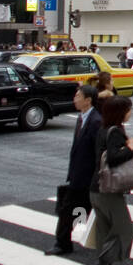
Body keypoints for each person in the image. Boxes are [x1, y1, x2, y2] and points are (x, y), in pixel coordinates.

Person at [84, 95, 133, 265]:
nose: (130, 112)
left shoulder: (103, 129)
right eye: (128, 109)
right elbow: (114, 158)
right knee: (124, 232)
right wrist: (130, 149)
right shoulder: (115, 132)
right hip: (108, 191)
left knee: (105, 235)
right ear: (120, 112)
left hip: (96, 188)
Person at [46, 85, 103, 254]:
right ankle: (65, 242)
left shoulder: (95, 121)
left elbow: (98, 152)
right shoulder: (83, 117)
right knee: (81, 210)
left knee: (68, 209)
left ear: (88, 100)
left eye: (78, 96)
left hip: (87, 176)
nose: (74, 99)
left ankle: (62, 243)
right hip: (79, 175)